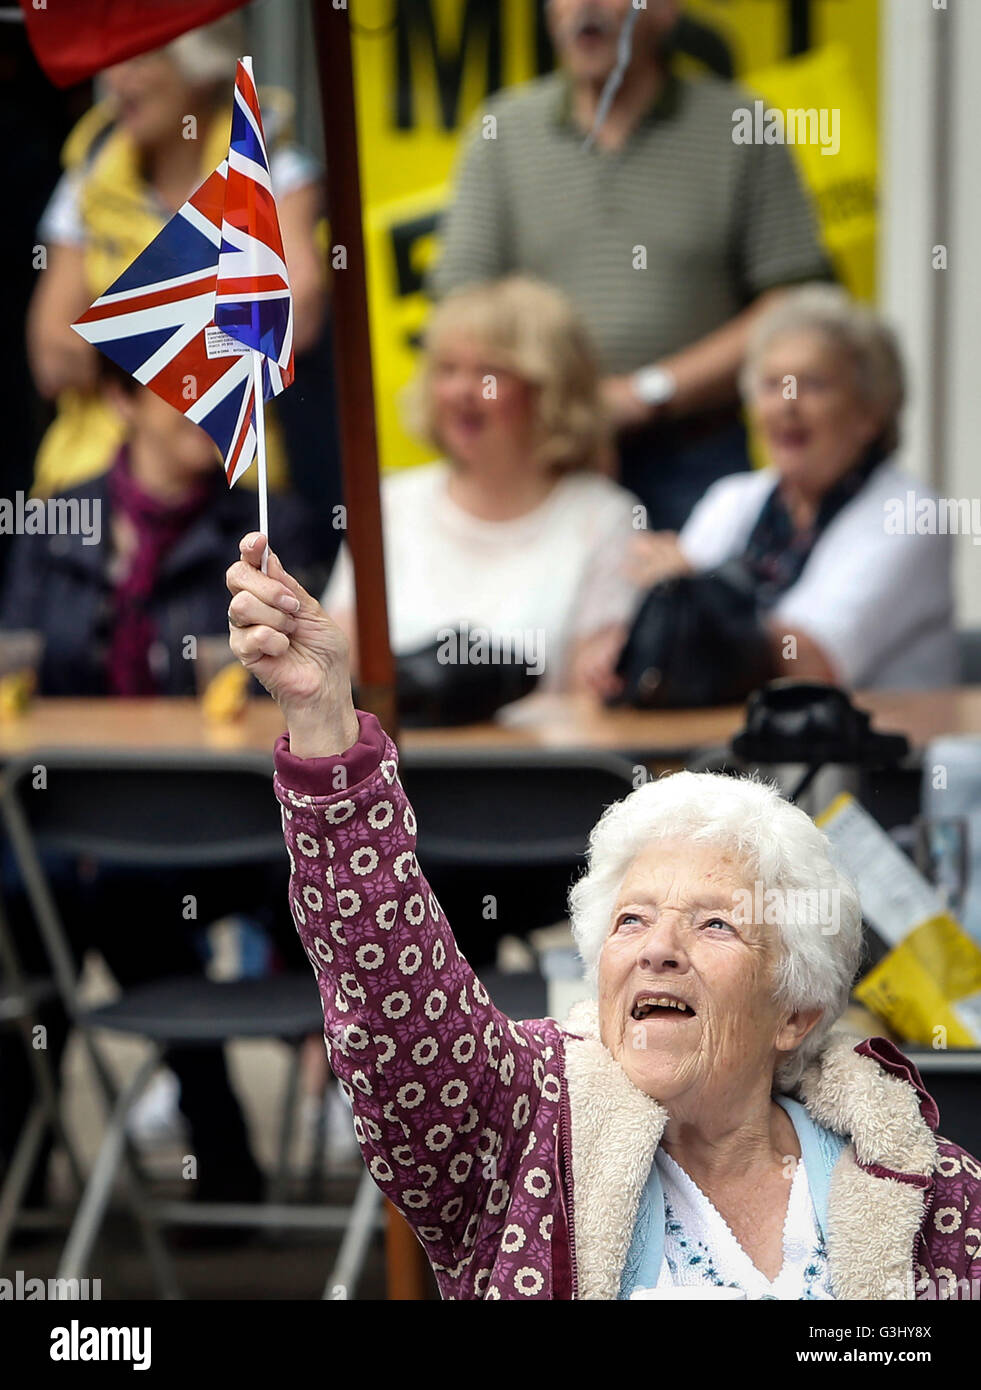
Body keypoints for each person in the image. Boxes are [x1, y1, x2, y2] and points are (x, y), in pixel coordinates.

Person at [226, 530, 981, 1299]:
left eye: (713, 924)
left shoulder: (928, 1193)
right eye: (630, 921)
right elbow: (392, 988)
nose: (658, 949)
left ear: (794, 1012)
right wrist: (323, 718)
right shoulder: (520, 1138)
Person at [0, 377, 318, 1224]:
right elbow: (17, 665)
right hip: (73, 811)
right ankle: (219, 1159)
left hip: (220, 832)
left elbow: (298, 688)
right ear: (122, 403)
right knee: (67, 896)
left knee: (83, 902)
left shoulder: (263, 524)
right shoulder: (53, 518)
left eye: (221, 398)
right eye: (182, 394)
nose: (207, 416)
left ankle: (22, 1187)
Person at [428, 0, 833, 531]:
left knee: (695, 611)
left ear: (667, 11)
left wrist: (646, 393)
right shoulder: (502, 131)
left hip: (696, 456)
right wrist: (567, 403)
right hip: (541, 456)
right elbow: (462, 305)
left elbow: (794, 305)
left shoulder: (741, 125)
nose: (587, 8)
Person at [26, 14, 327, 499]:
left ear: (198, 65)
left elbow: (292, 318)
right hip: (98, 474)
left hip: (231, 470)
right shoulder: (87, 177)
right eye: (114, 62)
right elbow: (55, 360)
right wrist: (206, 320)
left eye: (142, 59)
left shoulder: (274, 169)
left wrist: (122, 327)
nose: (116, 79)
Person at [605, 284, 958, 698]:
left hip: (880, 755)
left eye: (814, 385)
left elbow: (811, 664)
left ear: (870, 413)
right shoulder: (736, 497)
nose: (787, 405)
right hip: (736, 750)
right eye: (771, 385)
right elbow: (676, 640)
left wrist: (689, 590)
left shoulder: (910, 513)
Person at [323, 276, 643, 699]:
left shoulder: (605, 516)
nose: (460, 391)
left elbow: (596, 694)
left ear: (550, 389)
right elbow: (335, 662)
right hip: (392, 761)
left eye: (489, 373)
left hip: (542, 763)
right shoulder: (392, 504)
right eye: (448, 369)